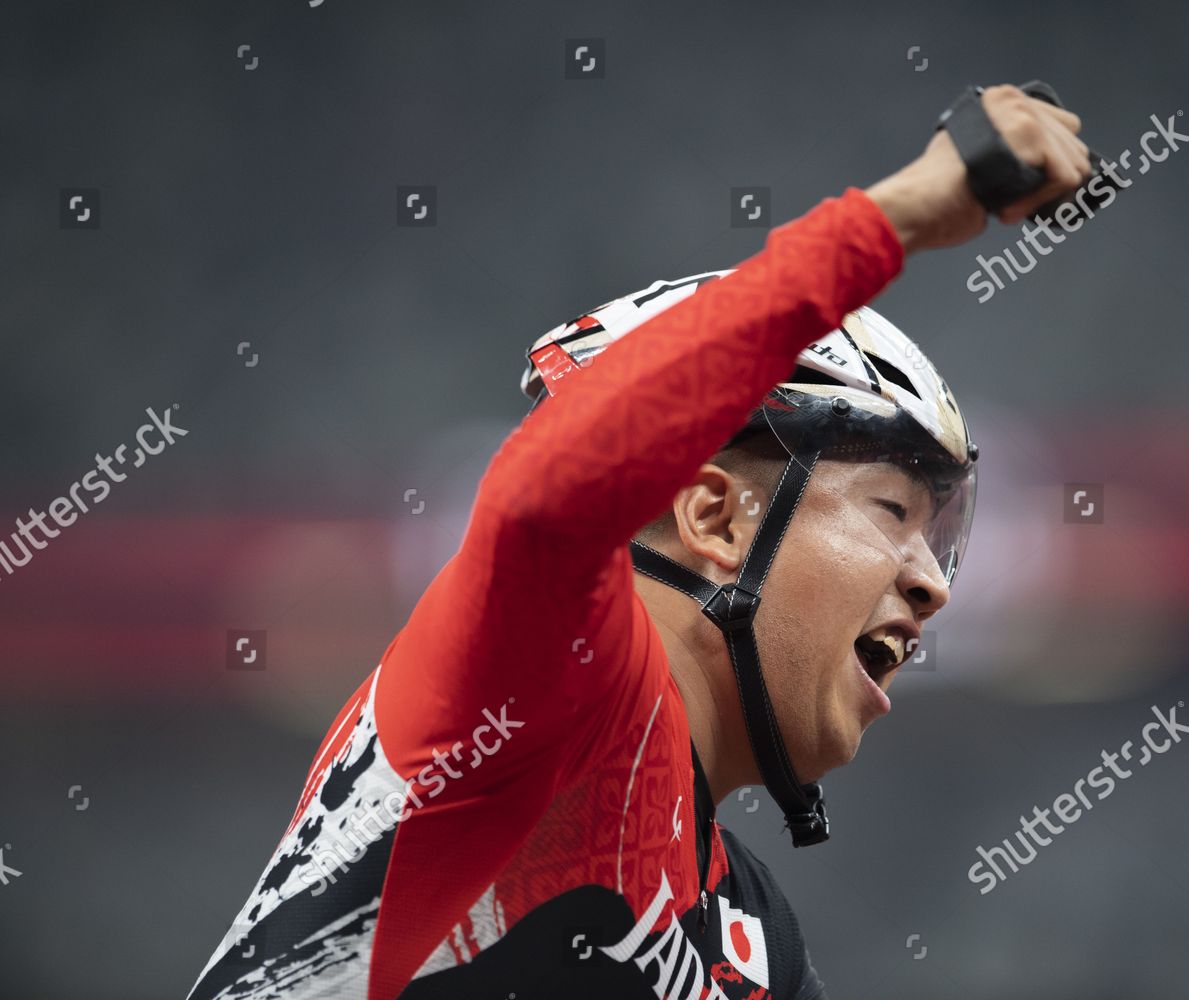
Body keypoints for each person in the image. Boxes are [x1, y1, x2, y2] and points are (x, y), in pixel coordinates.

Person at [187, 83, 1092, 1000]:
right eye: (892, 513)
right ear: (714, 518)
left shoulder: (754, 935)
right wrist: (895, 216)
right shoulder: (551, 679)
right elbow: (548, 497)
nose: (933, 585)